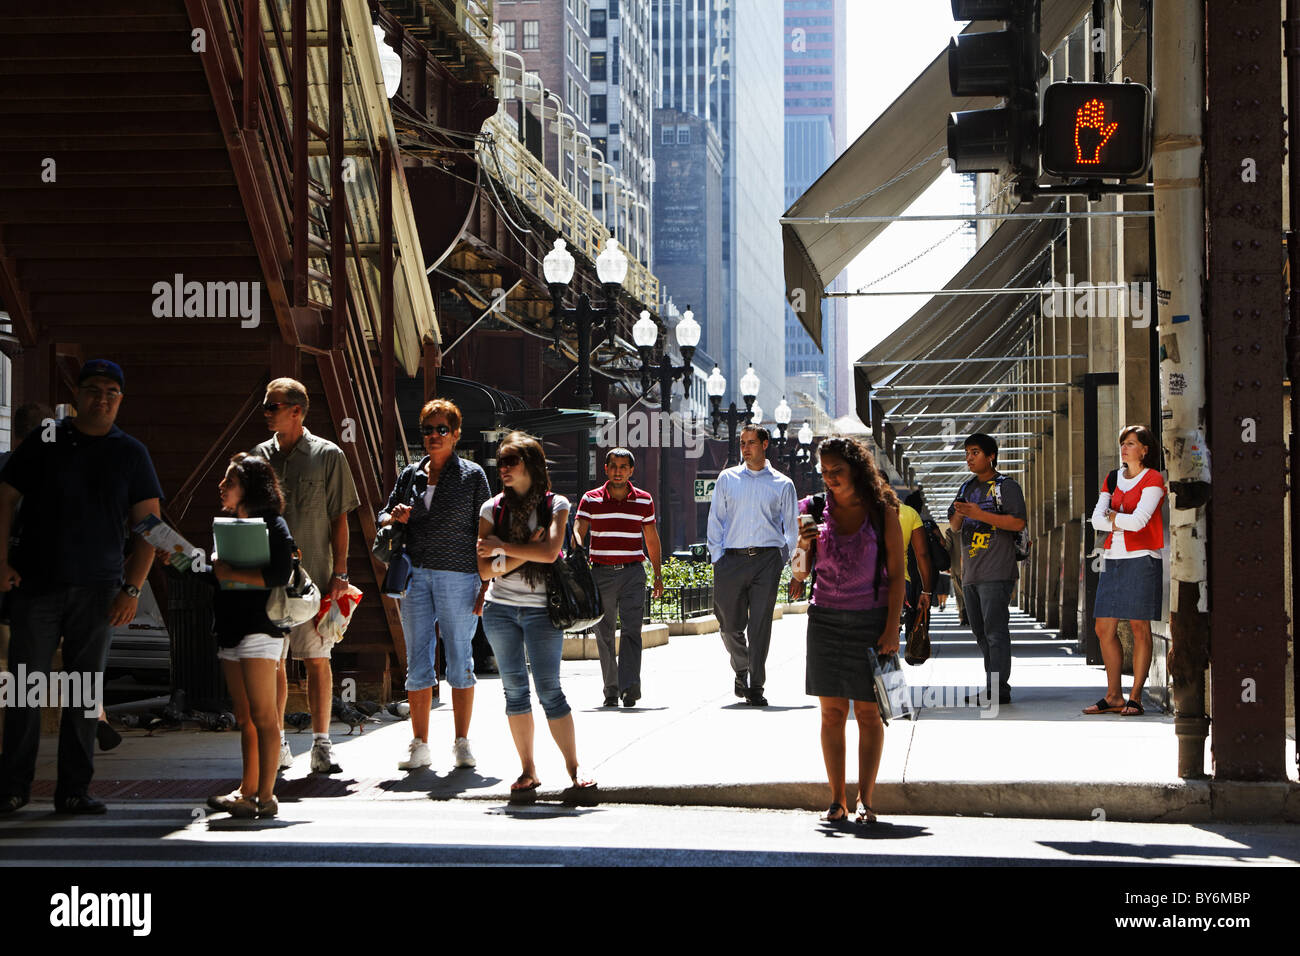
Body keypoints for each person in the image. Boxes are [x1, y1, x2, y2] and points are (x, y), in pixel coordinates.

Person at [0, 360, 163, 815]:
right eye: (94, 389)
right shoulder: (46, 440)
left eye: (113, 391)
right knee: (26, 689)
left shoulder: (130, 452)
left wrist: (131, 590)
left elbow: (149, 526)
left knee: (82, 691)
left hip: (98, 593)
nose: (103, 398)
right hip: (37, 586)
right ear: (78, 395)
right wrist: (1, 563)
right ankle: (12, 787)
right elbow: (5, 497)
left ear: (121, 399)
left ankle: (74, 790)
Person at [475, 432, 596, 804]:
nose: (504, 468)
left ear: (531, 464)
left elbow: (553, 551)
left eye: (512, 461)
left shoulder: (555, 503)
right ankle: (528, 770)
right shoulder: (492, 508)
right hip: (500, 611)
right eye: (501, 461)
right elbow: (484, 571)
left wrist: (505, 549)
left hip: (543, 610)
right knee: (514, 691)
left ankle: (575, 768)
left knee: (549, 690)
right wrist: (530, 549)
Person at [790, 437, 904, 825]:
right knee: (832, 714)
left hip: (871, 621)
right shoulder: (813, 509)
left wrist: (893, 630)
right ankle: (837, 799)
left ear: (856, 468)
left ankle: (866, 800)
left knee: (871, 714)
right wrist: (802, 547)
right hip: (824, 619)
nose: (830, 478)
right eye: (824, 471)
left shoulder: (882, 509)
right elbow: (799, 573)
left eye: (836, 470)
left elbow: (898, 574)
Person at [253, 377, 359, 774]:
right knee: (275, 664)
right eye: (266, 406)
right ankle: (278, 742)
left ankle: (322, 744)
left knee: (317, 659)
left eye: (272, 406)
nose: (266, 412)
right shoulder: (259, 457)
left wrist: (341, 574)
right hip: (269, 581)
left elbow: (340, 519)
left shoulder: (328, 454)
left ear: (297, 411)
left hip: (314, 578)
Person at [378, 398, 490, 770]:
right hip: (416, 574)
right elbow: (384, 513)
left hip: (459, 575)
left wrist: (486, 582)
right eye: (427, 430)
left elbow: (486, 528)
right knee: (418, 661)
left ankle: (462, 743)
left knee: (460, 659)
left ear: (456, 434)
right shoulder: (410, 474)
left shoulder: (471, 475)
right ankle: (419, 744)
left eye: (442, 429)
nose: (433, 436)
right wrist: (394, 516)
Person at [205, 454, 296, 818]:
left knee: (265, 717)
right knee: (244, 718)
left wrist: (231, 574)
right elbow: (219, 578)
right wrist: (182, 562)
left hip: (261, 628)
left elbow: (279, 574)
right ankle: (247, 789)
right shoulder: (228, 526)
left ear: (249, 488)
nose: (222, 486)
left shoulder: (274, 524)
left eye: (230, 481)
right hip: (229, 628)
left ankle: (267, 794)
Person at [706, 424, 799, 707]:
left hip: (766, 561)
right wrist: (717, 558)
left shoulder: (783, 484)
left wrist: (793, 567)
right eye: (742, 443)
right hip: (730, 560)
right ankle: (743, 669)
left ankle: (755, 686)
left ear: (765, 444)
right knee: (728, 625)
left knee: (759, 626)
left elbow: (792, 529)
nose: (745, 448)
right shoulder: (727, 478)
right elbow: (715, 520)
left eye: (751, 442)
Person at [1083, 425, 1167, 717]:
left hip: (1142, 558)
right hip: (1112, 557)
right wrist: (1119, 519)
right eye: (1123, 443)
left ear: (1145, 449)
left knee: (1139, 628)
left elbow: (1140, 521)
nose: (1124, 448)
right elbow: (1096, 520)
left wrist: (1113, 517)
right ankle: (1113, 695)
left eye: (1131, 443)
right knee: (1103, 628)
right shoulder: (1112, 477)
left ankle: (1136, 697)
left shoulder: (1153, 479)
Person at [574, 448, 664, 708]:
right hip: (600, 573)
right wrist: (576, 551)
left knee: (632, 630)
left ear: (631, 471)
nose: (618, 471)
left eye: (623, 467)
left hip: (633, 572)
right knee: (603, 633)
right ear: (605, 469)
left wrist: (657, 575)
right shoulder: (590, 499)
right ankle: (611, 689)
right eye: (613, 466)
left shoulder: (644, 500)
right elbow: (579, 530)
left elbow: (651, 538)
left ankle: (629, 686)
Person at [947, 433, 1026, 705]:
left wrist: (979, 514)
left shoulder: (1007, 486)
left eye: (975, 452)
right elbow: (955, 527)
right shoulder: (966, 488)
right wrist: (960, 512)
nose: (969, 458)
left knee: (995, 631)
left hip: (997, 570)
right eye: (967, 453)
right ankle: (992, 685)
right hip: (971, 571)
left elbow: (1017, 523)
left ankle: (999, 689)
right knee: (980, 632)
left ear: (990, 456)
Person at [899, 490, 934, 653]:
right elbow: (923, 554)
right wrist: (927, 590)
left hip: (865, 585)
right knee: (889, 638)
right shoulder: (909, 515)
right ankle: (891, 676)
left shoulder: (859, 513)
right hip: (901, 581)